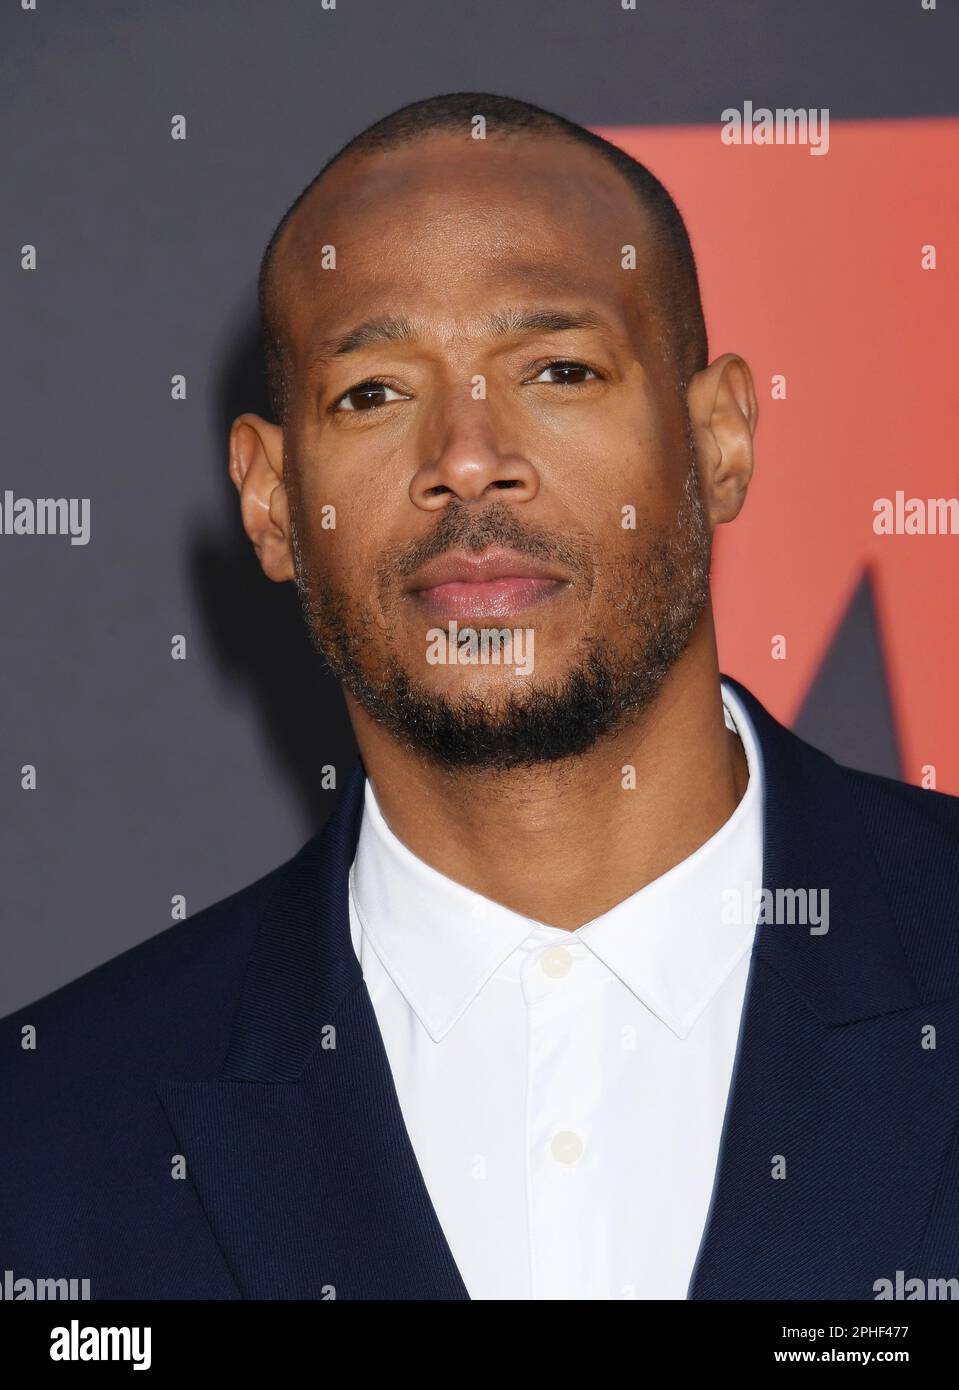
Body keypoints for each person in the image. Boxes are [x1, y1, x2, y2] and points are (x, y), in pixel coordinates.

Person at [3, 92, 958, 1302]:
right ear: (269, 499)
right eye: (374, 392)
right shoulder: (45, 1135)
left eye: (557, 368)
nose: (465, 456)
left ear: (716, 441)